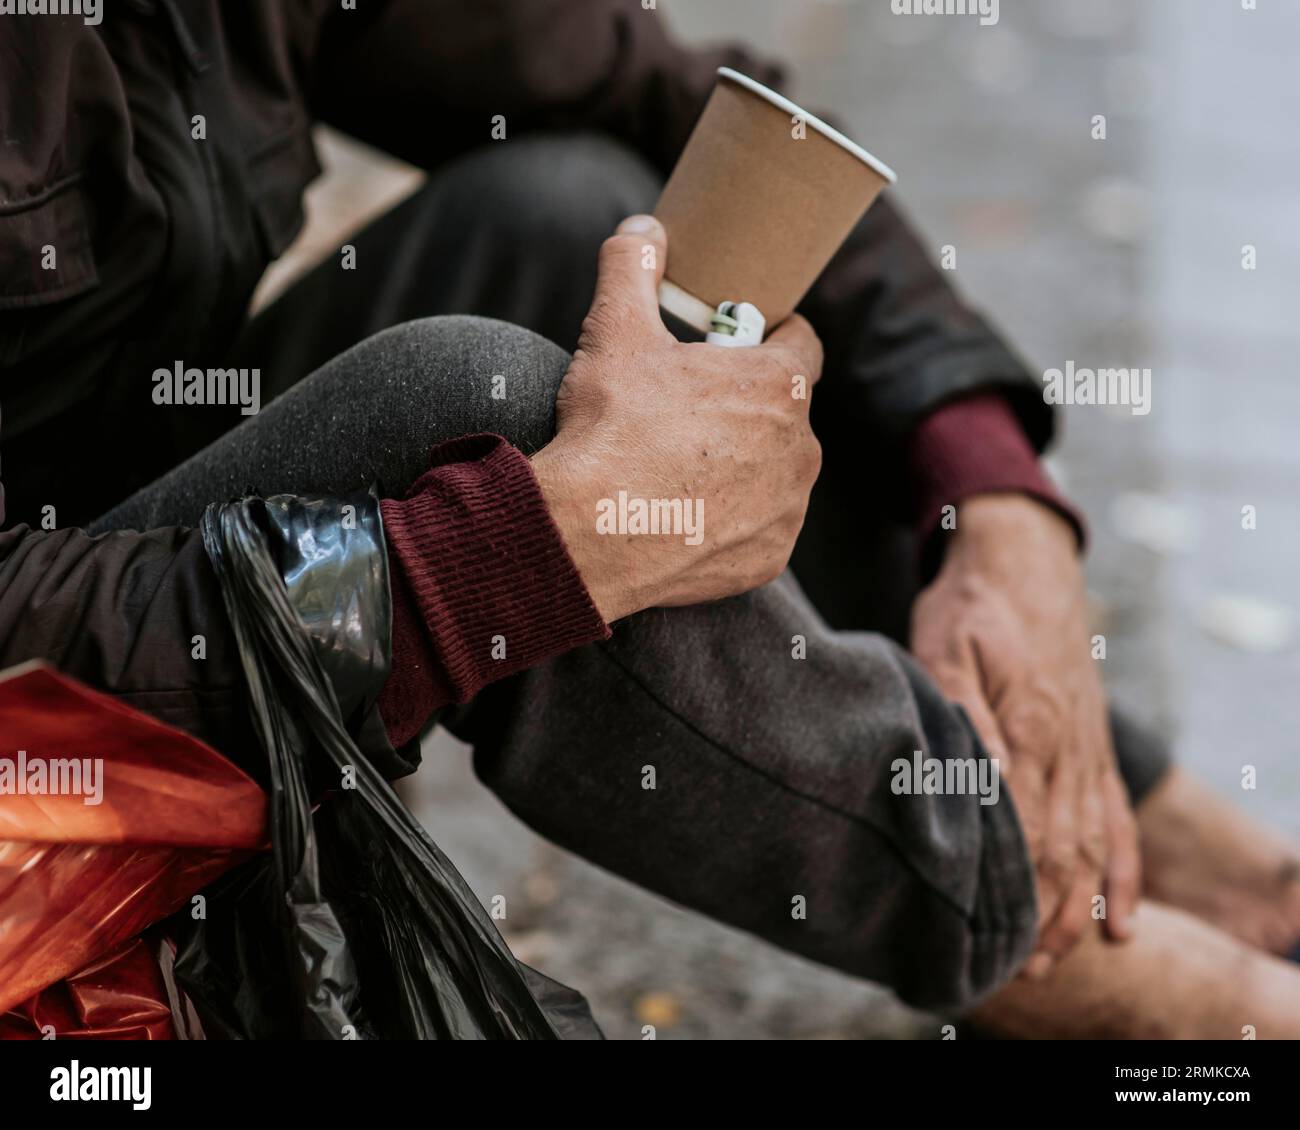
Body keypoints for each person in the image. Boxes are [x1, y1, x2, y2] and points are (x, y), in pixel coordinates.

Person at [2, 1, 1298, 1035]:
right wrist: (501, 560)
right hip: (34, 765)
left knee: (580, 214)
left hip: (116, 539)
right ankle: (1045, 922)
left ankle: (1116, 803)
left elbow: (683, 111)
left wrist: (995, 495)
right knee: (481, 410)